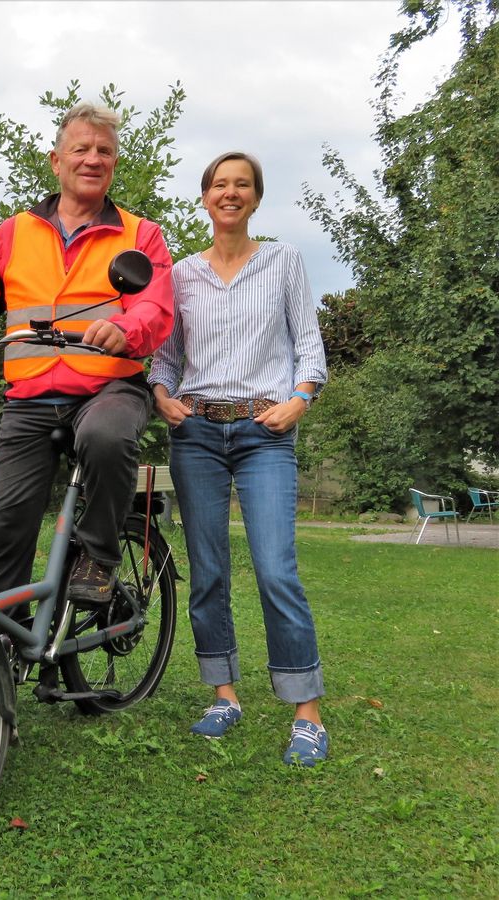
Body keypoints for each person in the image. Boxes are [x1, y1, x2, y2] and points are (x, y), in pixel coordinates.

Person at [0, 102, 174, 610]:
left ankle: (98, 555)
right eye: (81, 149)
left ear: (114, 163)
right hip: (29, 396)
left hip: (108, 388)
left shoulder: (141, 235)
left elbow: (156, 308)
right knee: (7, 521)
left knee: (105, 436)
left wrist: (127, 329)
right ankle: (1, 644)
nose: (93, 159)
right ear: (57, 161)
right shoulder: (15, 232)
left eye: (104, 151)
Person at [148, 151, 330, 766]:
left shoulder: (282, 260)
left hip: (264, 431)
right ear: (205, 197)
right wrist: (161, 396)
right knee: (208, 571)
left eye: (242, 185)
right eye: (219, 184)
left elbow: (309, 345)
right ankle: (224, 694)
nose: (230, 193)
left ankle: (306, 711)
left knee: (276, 568)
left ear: (255, 199)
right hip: (197, 431)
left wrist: (299, 401)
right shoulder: (180, 276)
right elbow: (167, 358)